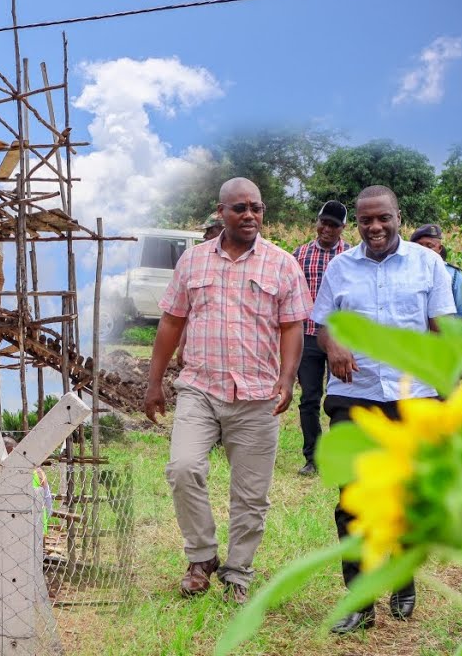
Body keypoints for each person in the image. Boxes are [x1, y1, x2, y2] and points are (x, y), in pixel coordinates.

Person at [144, 178, 310, 605]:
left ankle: (238, 570)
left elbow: (293, 327)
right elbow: (171, 322)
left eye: (256, 207)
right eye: (240, 208)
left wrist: (287, 378)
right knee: (183, 469)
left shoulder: (281, 264)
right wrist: (153, 380)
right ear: (221, 212)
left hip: (257, 395)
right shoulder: (193, 262)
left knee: (251, 494)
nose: (250, 215)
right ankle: (201, 558)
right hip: (201, 388)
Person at [313, 186, 456, 634]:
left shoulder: (427, 263)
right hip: (354, 394)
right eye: (365, 221)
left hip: (414, 399)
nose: (374, 228)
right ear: (356, 222)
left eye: (383, 219)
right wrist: (333, 347)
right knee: (352, 500)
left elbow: (441, 329)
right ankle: (360, 602)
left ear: (398, 216)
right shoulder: (340, 267)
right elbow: (322, 325)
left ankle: (403, 577)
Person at [292, 201, 350, 476]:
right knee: (310, 399)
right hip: (308, 337)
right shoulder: (299, 254)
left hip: (342, 340)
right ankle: (312, 458)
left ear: (343, 228)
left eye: (334, 225)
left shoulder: (352, 256)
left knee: (342, 398)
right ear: (317, 222)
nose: (327, 229)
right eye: (323, 223)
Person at [409, 224, 462, 319]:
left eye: (430, 246)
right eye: (419, 246)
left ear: (439, 249)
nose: (424, 251)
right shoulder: (402, 272)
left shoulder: (455, 276)